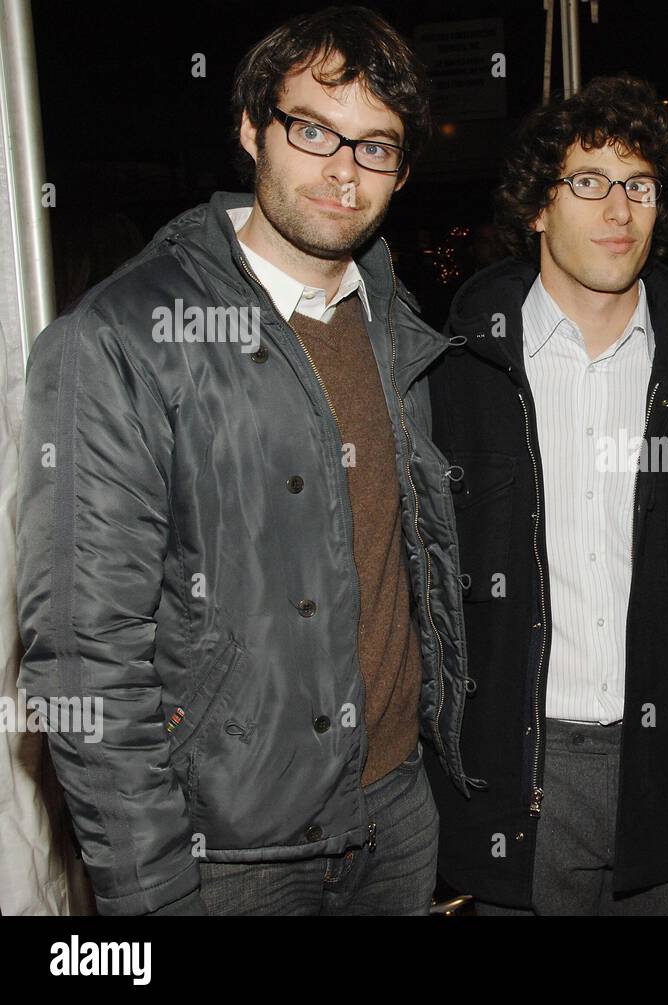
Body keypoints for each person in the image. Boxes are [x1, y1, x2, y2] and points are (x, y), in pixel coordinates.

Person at [16, 6, 469, 916]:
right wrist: (151, 894)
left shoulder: (396, 323)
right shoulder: (123, 335)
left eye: (374, 147)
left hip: (398, 815)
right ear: (251, 129)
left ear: (402, 169)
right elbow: (81, 654)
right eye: (313, 130)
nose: (344, 169)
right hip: (229, 855)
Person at [424, 74, 668, 915]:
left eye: (639, 184)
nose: (619, 208)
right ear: (536, 206)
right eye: (588, 182)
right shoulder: (457, 365)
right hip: (519, 766)